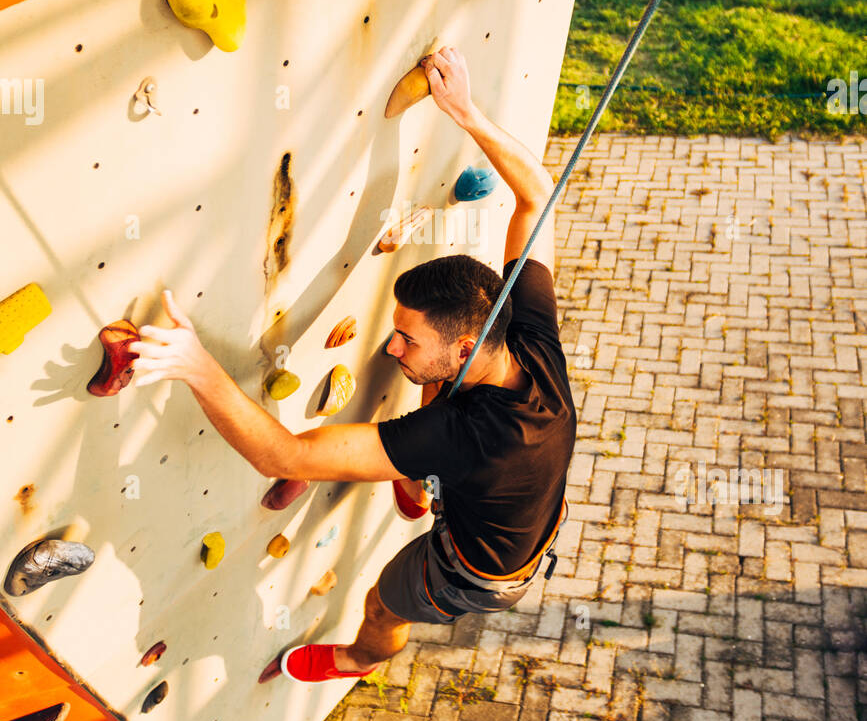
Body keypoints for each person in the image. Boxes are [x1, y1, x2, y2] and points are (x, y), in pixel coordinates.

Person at [130, 45, 577, 684]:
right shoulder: (528, 333)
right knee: (432, 404)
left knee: (383, 605)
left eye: (409, 339)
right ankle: (420, 484)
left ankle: (360, 661)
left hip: (478, 571)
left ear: (464, 345)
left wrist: (195, 364)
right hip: (512, 499)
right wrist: (464, 110)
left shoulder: (463, 436)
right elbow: (537, 196)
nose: (390, 348)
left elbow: (283, 457)